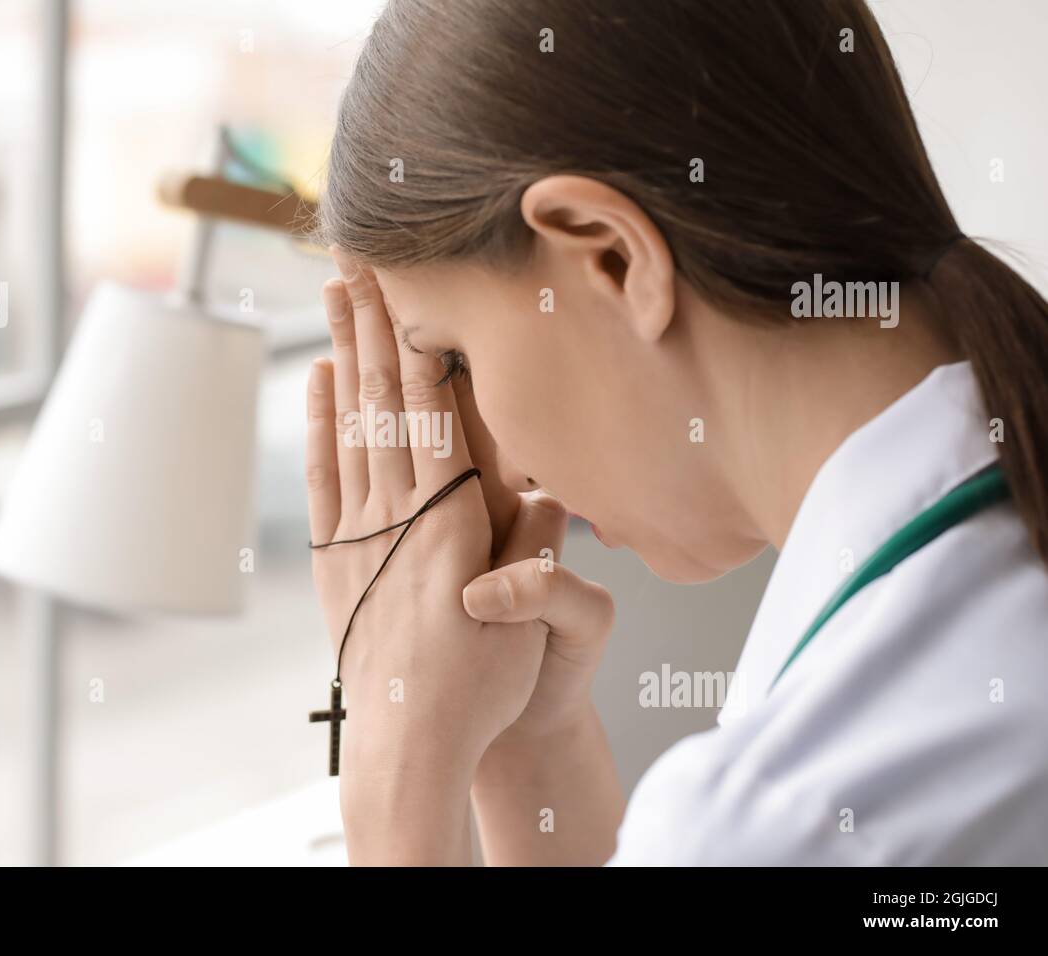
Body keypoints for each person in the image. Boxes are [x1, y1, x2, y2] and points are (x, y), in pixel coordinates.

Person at [302, 0, 1048, 865]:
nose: (502, 469)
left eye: (455, 359)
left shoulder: (790, 814)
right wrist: (524, 752)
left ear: (612, 257)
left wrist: (394, 772)